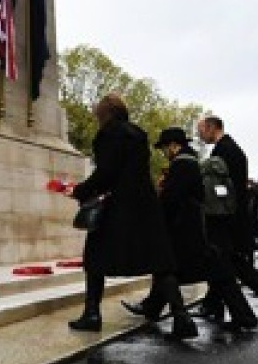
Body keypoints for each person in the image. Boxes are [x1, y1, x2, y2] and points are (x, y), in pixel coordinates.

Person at [65, 96, 197, 340]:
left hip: (119, 206)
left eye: (97, 113)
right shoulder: (138, 134)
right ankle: (182, 318)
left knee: (94, 258)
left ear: (106, 113)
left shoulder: (108, 135)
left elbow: (106, 173)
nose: (95, 117)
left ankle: (92, 314)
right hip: (146, 205)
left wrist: (80, 190)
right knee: (160, 261)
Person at [125, 127, 257, 332]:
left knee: (169, 268)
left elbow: (172, 200)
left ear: (173, 146)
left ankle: (180, 319)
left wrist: (159, 201)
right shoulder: (192, 161)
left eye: (164, 148)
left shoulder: (181, 164)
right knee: (215, 273)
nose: (164, 153)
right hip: (194, 230)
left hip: (183, 232)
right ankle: (155, 308)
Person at [194, 116, 258, 322]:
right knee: (232, 263)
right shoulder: (233, 149)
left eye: (201, 130)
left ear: (212, 128)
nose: (199, 135)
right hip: (234, 216)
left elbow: (220, 190)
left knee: (225, 263)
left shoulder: (223, 151)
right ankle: (218, 304)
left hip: (226, 218)